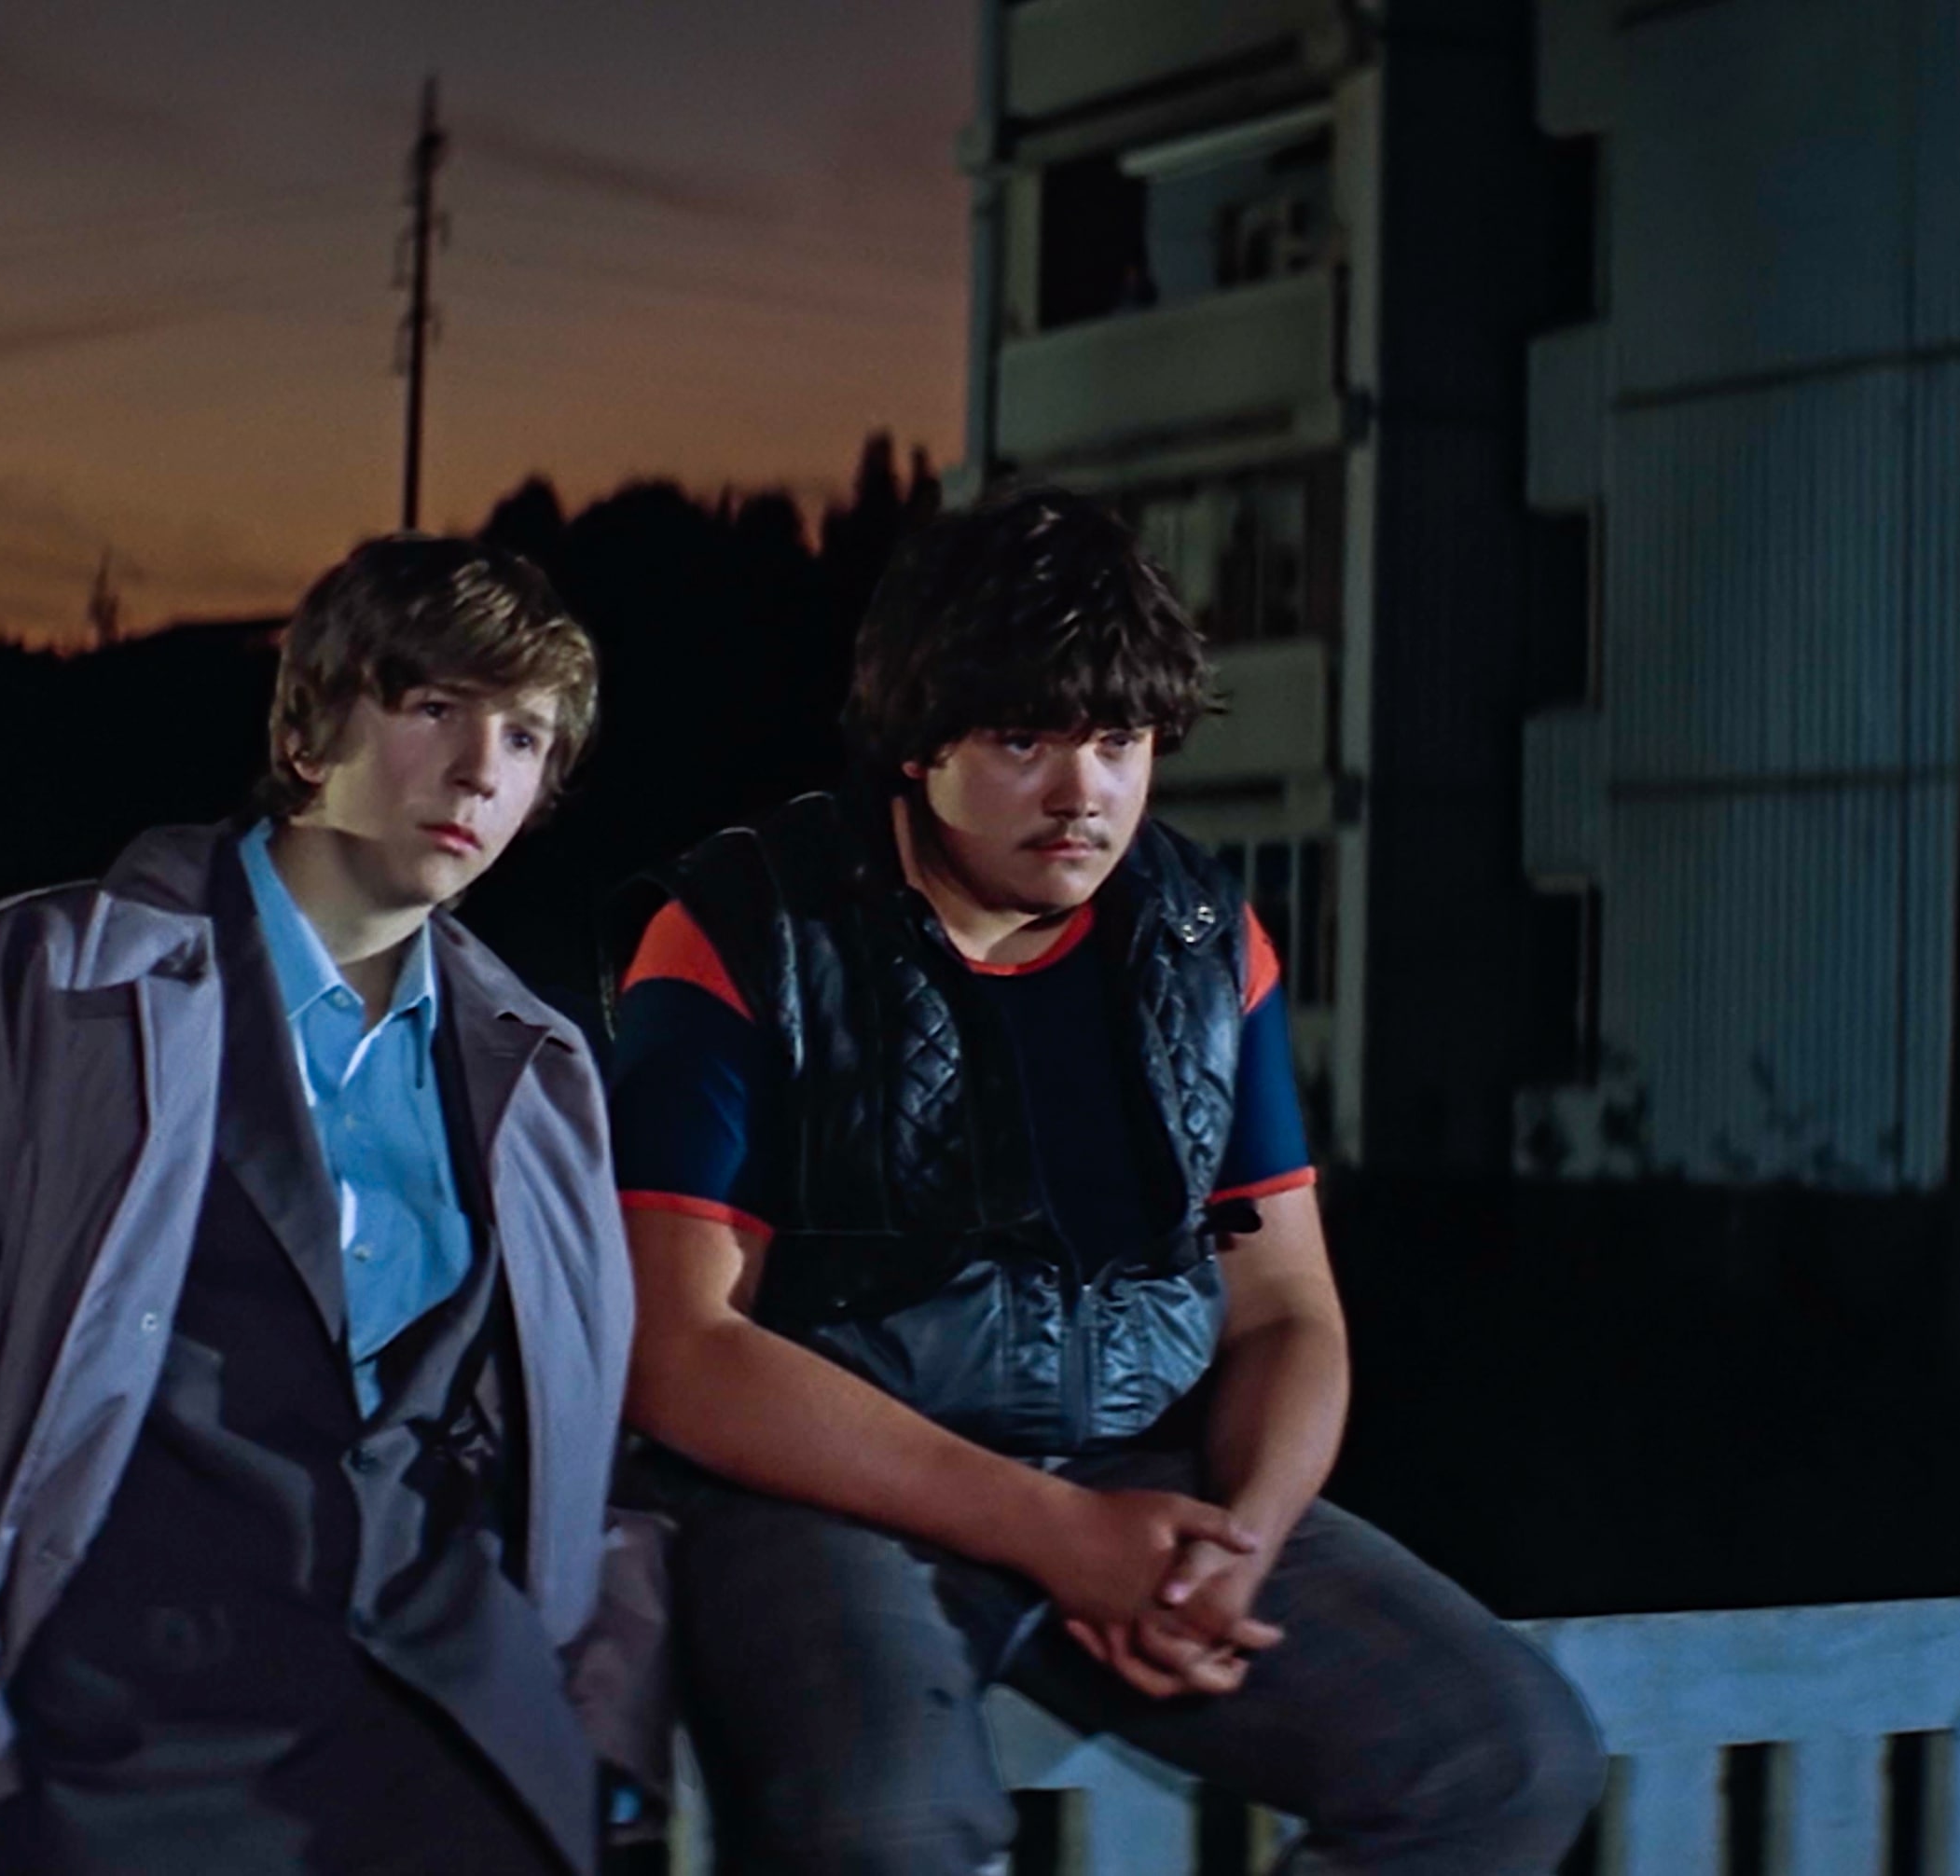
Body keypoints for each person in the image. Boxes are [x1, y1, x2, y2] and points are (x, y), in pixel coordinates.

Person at [606, 488, 1604, 1873]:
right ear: (919, 741)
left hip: (1138, 1473)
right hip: (829, 1488)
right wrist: (1053, 1531)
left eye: (1119, 742)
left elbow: (1285, 1308)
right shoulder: (745, 927)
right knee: (887, 1824)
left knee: (1505, 1759)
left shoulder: (1200, 939)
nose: (1084, 795)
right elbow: (680, 1349)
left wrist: (1239, 1541)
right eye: (1024, 741)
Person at [0, 536, 634, 1876]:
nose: (482, 769)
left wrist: (594, 1738)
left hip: (454, 1747)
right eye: (434, 708)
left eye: (527, 737)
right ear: (307, 734)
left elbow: (599, 1454)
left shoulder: (537, 1073)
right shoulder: (25, 998)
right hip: (108, 1752)